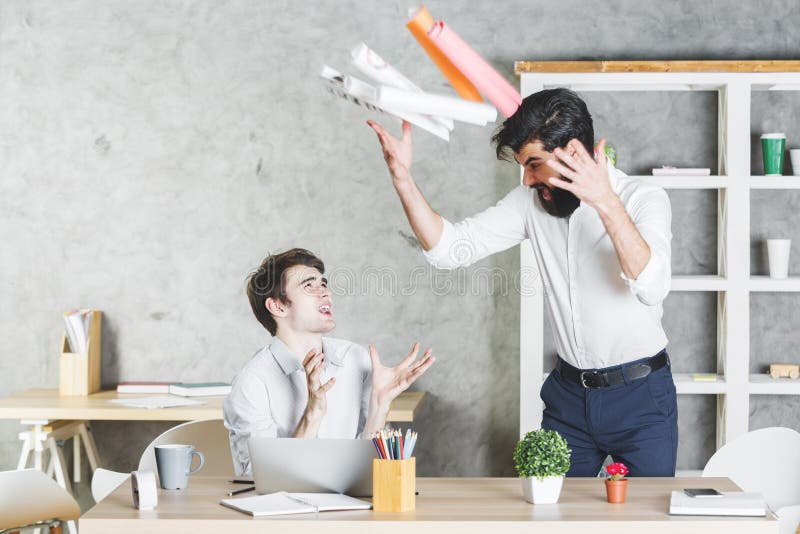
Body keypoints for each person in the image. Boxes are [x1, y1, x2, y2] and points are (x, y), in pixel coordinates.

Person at [367, 88, 677, 477]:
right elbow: (450, 250)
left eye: (533, 163)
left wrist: (605, 202)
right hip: (569, 398)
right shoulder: (530, 203)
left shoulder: (643, 198)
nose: (528, 179)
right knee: (551, 516)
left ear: (574, 152)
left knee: (647, 522)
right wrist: (402, 178)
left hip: (641, 397)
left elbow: (651, 286)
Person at [223, 248, 435, 475]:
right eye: (308, 285)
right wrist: (313, 412)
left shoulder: (356, 358)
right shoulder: (252, 382)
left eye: (323, 284)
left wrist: (379, 407)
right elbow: (258, 479)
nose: (325, 292)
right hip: (284, 507)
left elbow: (365, 469)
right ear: (278, 306)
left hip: (349, 503)